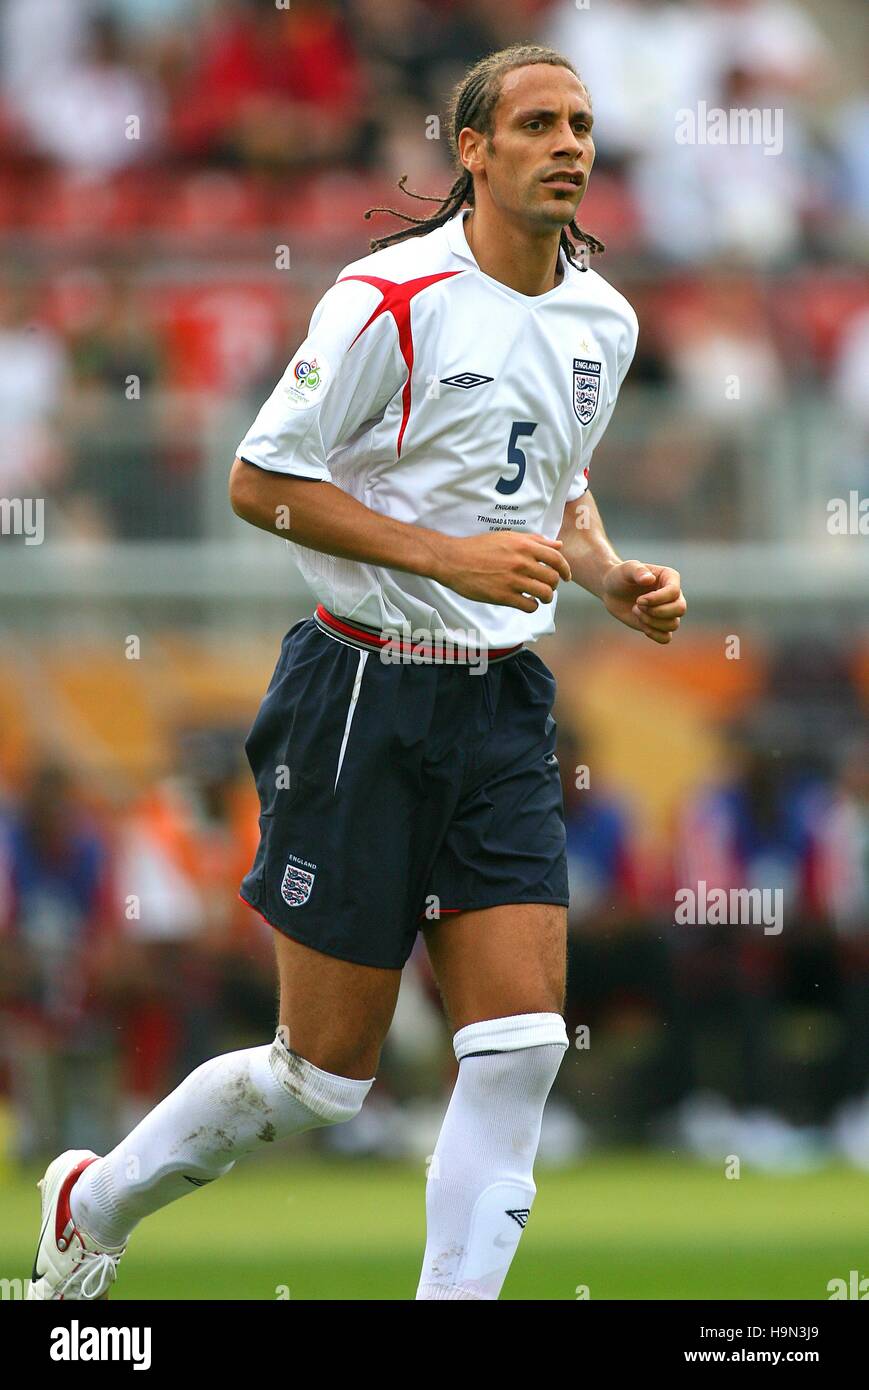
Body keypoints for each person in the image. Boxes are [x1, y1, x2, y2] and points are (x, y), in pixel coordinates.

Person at [30, 43, 686, 1303]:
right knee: (321, 1079)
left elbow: (556, 482)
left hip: (500, 702)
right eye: (537, 123)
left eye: (582, 124)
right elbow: (258, 482)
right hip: (360, 693)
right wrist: (446, 556)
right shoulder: (388, 300)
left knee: (519, 1046)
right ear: (473, 151)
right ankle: (91, 1196)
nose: (567, 144)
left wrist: (602, 574)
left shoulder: (603, 316)